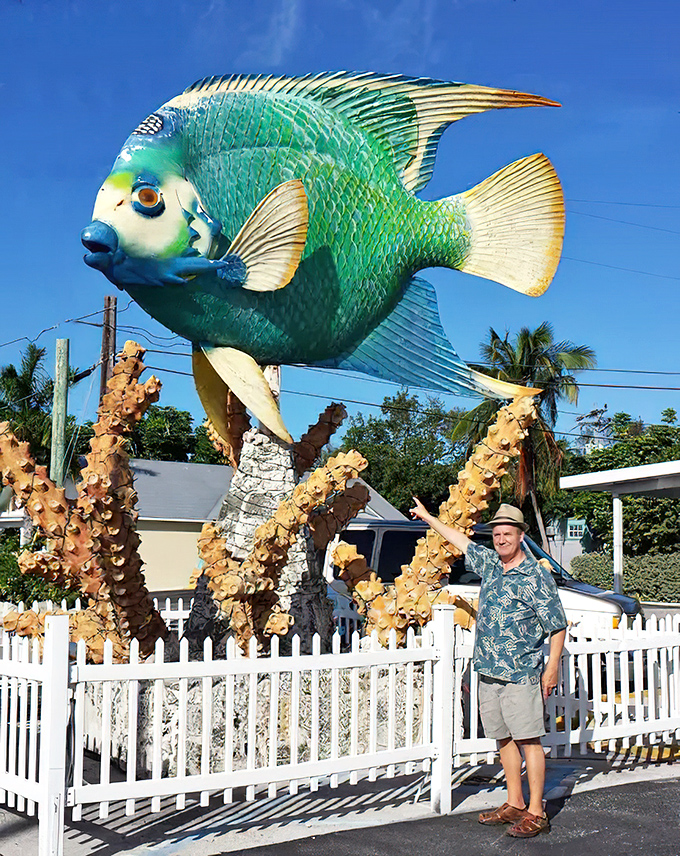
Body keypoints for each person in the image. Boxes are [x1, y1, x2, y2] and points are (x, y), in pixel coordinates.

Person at [410, 498, 566, 839]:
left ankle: (537, 811)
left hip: (521, 673)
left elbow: (556, 626)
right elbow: (460, 540)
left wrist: (551, 667)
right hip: (489, 670)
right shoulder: (492, 564)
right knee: (503, 738)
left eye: (507, 534)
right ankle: (514, 802)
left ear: (520, 536)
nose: (501, 540)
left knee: (529, 741)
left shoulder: (536, 577)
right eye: (496, 534)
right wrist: (427, 517)